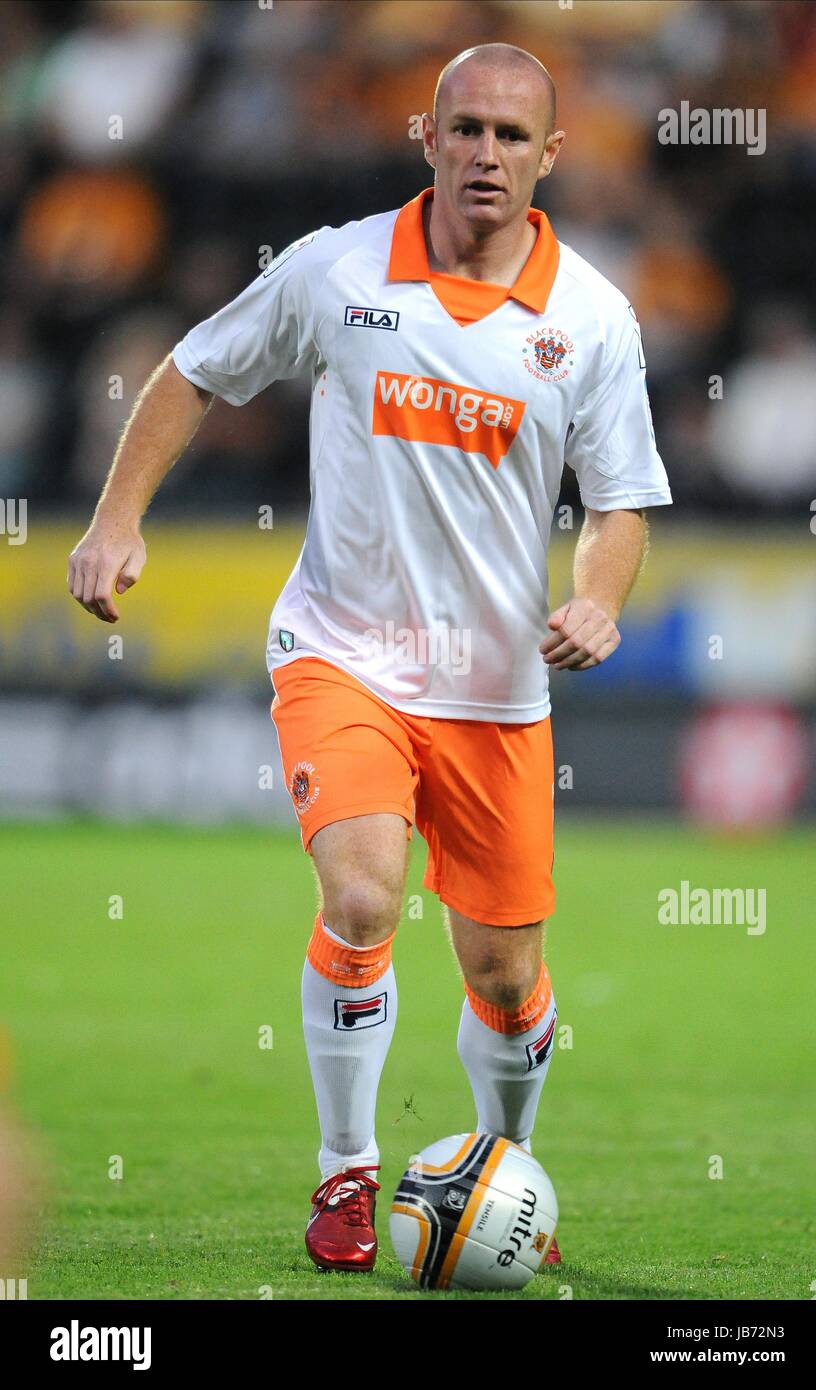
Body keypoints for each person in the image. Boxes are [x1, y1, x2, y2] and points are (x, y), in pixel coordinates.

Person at [68, 43, 672, 1278]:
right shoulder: (338, 269)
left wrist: (597, 600)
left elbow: (620, 505)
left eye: (512, 135)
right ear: (430, 137)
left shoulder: (592, 317)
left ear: (551, 156)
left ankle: (512, 1178)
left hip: (496, 686)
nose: (486, 154)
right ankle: (346, 1173)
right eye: (466, 130)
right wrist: (114, 517)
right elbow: (192, 369)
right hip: (341, 653)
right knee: (359, 897)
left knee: (507, 979)